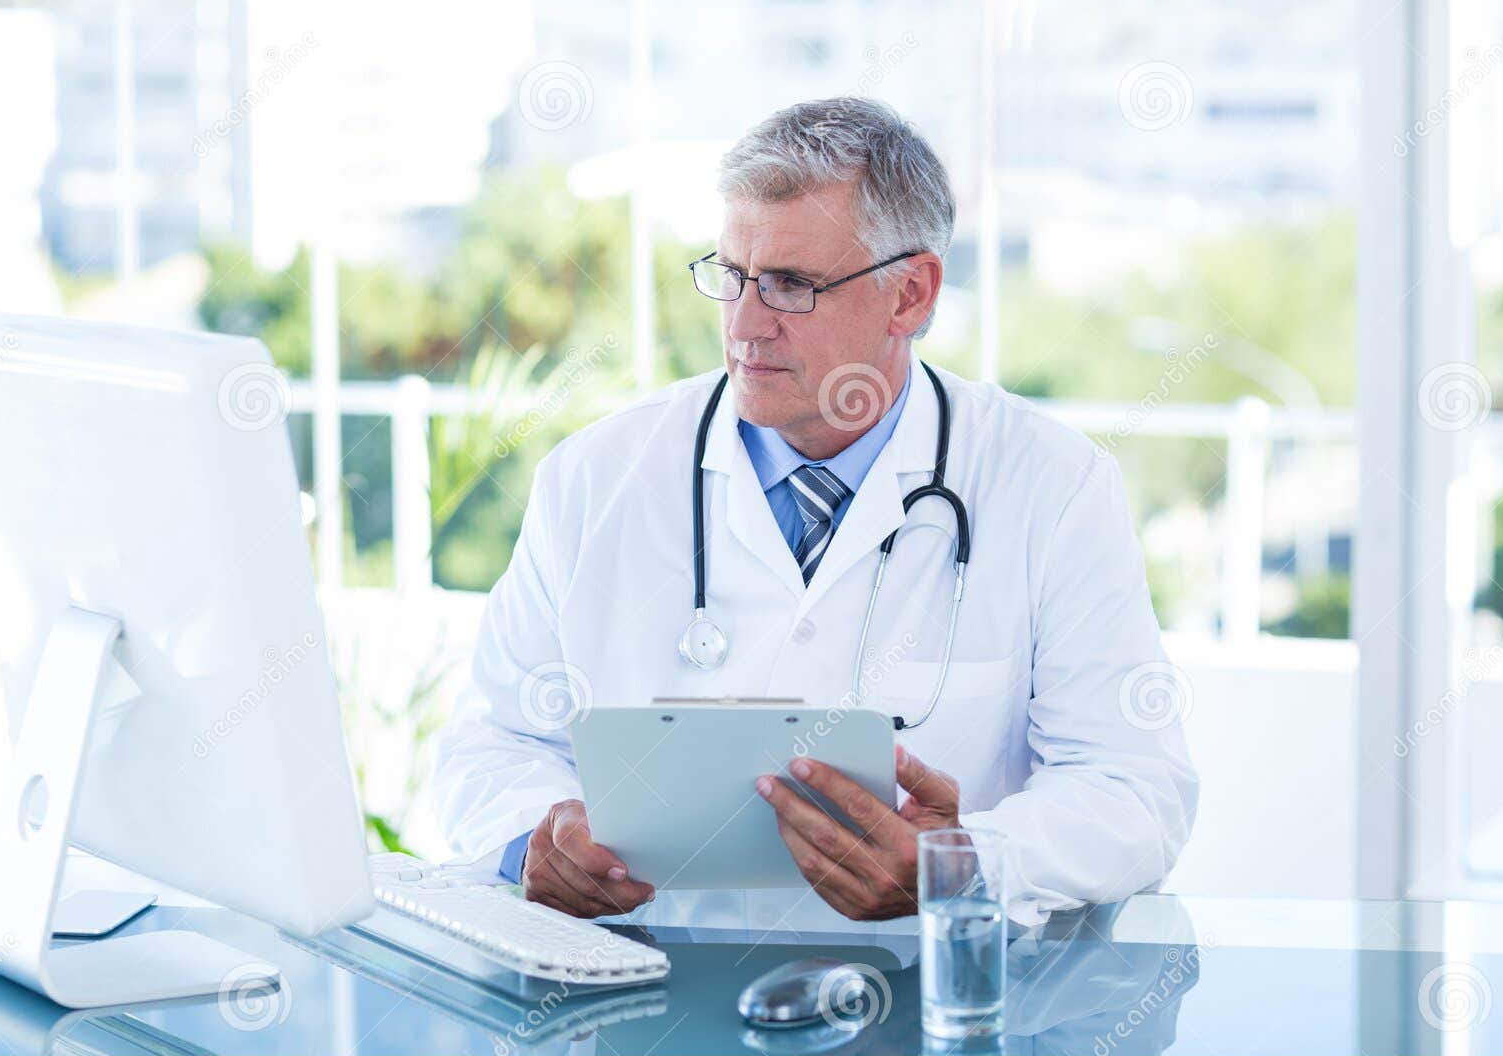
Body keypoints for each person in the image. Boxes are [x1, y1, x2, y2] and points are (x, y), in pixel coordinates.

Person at [426, 96, 1197, 926]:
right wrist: (532, 842)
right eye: (731, 277)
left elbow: (1132, 786)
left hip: (926, 1007)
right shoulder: (593, 478)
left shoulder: (1052, 486)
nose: (745, 325)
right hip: (654, 1005)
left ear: (910, 294)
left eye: (792, 286)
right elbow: (491, 742)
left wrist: (964, 862)